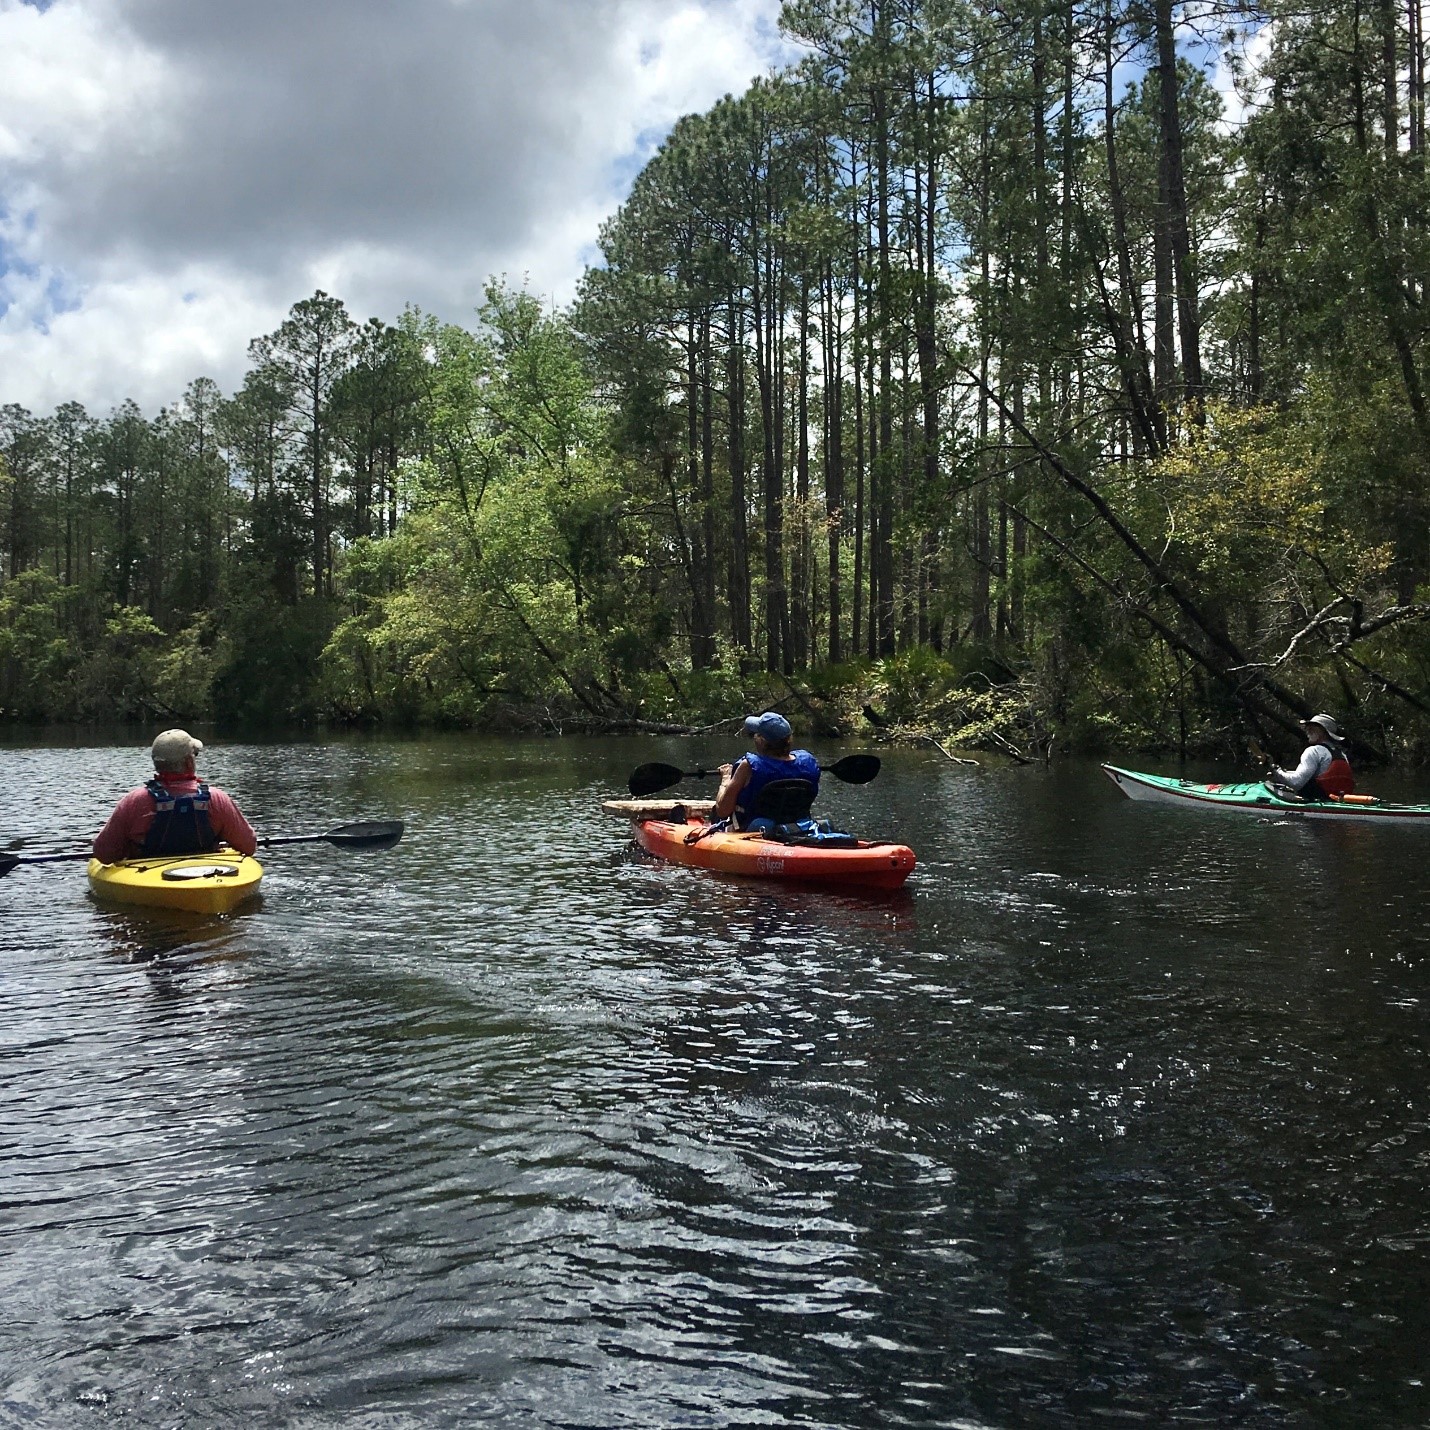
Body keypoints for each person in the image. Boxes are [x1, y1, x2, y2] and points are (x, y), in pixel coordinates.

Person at [93, 729, 258, 863]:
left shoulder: (134, 802)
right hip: (206, 874)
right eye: (195, 755)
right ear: (188, 762)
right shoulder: (217, 799)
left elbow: (103, 854)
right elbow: (249, 846)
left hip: (147, 877)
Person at [714, 711, 821, 830]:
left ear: (762, 740)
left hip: (755, 831)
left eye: (756, 734)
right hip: (796, 827)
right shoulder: (809, 762)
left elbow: (723, 811)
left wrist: (725, 779)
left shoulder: (748, 767)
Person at [1267, 714, 1355, 800]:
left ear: (1323, 731)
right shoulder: (1342, 754)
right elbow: (1316, 774)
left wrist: (1275, 770)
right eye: (1307, 727)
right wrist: (1283, 773)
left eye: (1312, 728)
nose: (1307, 730)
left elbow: (1296, 783)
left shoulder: (1313, 751)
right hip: (1335, 800)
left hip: (1315, 801)